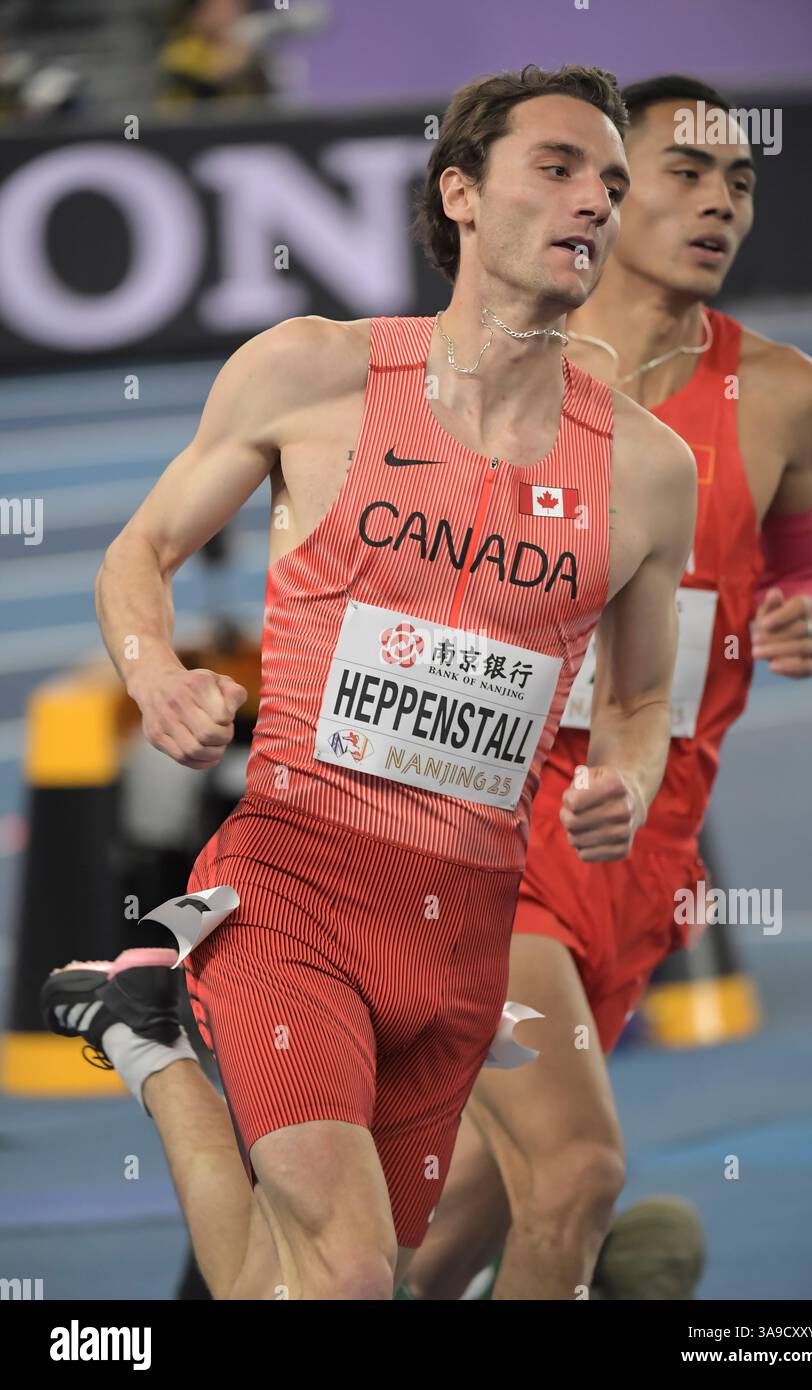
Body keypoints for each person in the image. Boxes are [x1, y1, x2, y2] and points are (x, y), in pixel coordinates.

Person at [41, 64, 696, 1300]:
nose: (593, 203)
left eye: (609, 181)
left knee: (315, 1282)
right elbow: (141, 552)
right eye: (554, 168)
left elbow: (637, 701)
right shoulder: (313, 372)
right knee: (345, 1275)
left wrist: (626, 773)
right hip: (294, 881)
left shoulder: (648, 473)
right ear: (458, 191)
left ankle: (147, 1046)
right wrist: (155, 675)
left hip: (464, 927)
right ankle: (161, 1030)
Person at [403, 74, 812, 1302]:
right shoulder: (497, 371)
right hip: (486, 817)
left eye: (739, 182)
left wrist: (791, 606)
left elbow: (789, 532)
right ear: (601, 187)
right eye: (683, 174)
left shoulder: (787, 392)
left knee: (463, 1219)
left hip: (642, 837)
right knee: (581, 1167)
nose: (719, 205)